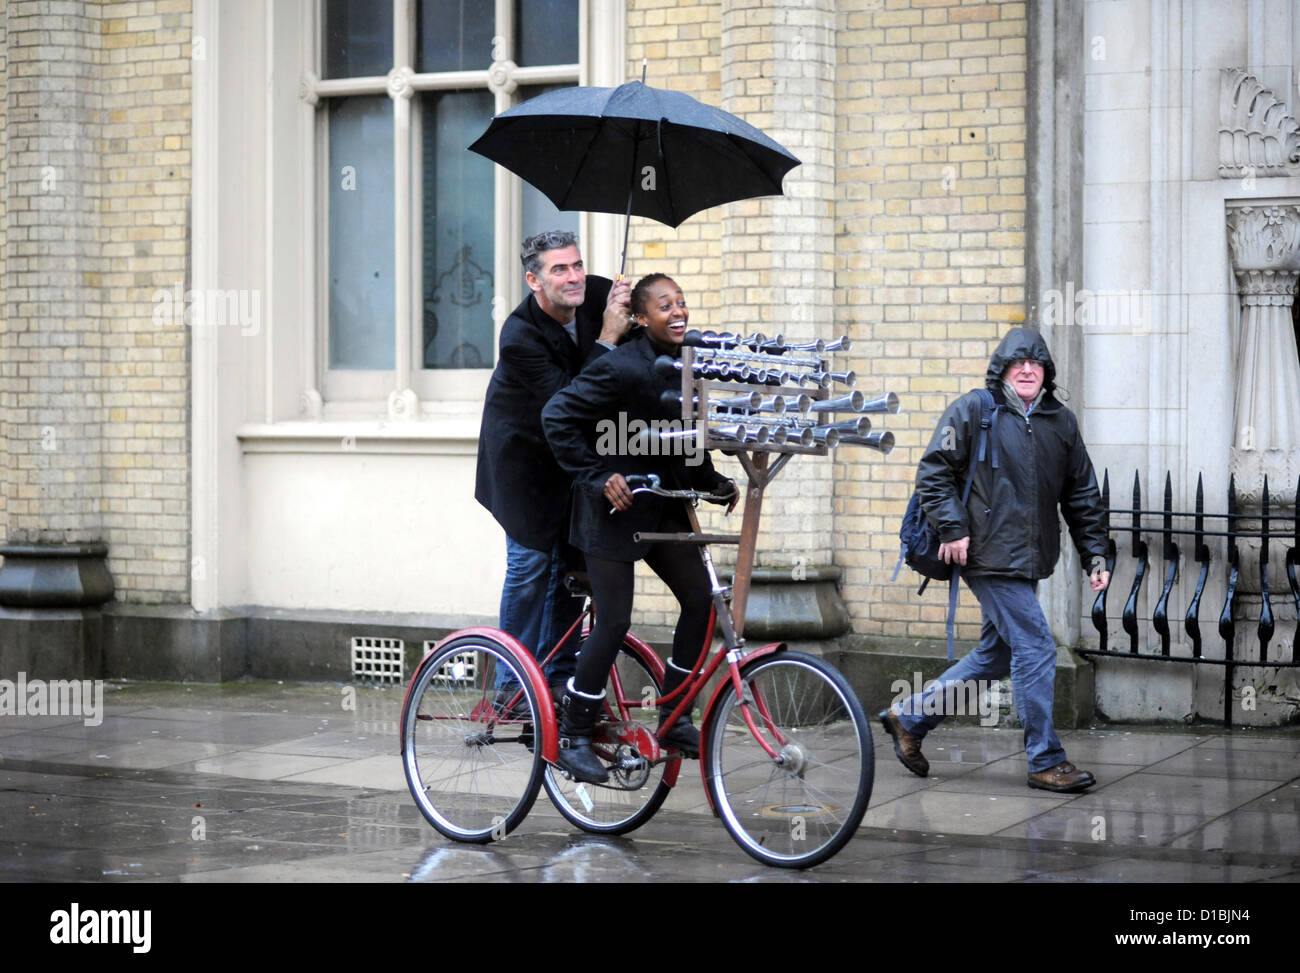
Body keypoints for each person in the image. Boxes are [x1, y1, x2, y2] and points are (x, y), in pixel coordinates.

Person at [879, 326, 1111, 793]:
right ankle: (1045, 759)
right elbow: (934, 472)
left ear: (1047, 372)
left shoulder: (1060, 423)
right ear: (1002, 369)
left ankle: (909, 716)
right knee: (1037, 647)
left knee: (996, 654)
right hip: (985, 553)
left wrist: (1096, 553)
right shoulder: (973, 410)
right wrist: (953, 527)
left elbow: (1082, 493)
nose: (1027, 370)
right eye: (1017, 363)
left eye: (1036, 363)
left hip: (1029, 557)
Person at [541, 274, 737, 783]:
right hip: (610, 512)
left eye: (683, 302)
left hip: (660, 503)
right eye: (664, 304)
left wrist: (712, 480)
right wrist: (598, 475)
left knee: (701, 599)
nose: (679, 312)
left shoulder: (689, 359)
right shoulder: (619, 366)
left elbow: (683, 435)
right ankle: (574, 734)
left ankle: (675, 717)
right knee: (614, 621)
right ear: (641, 317)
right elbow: (557, 415)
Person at [474, 230, 632, 702]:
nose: (574, 277)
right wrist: (608, 335)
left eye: (577, 265)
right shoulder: (519, 335)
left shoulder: (602, 296)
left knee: (570, 569)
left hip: (573, 464)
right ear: (534, 280)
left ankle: (558, 679)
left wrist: (639, 310)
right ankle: (510, 687)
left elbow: (648, 336)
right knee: (530, 568)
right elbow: (570, 402)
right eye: (559, 269)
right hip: (522, 465)